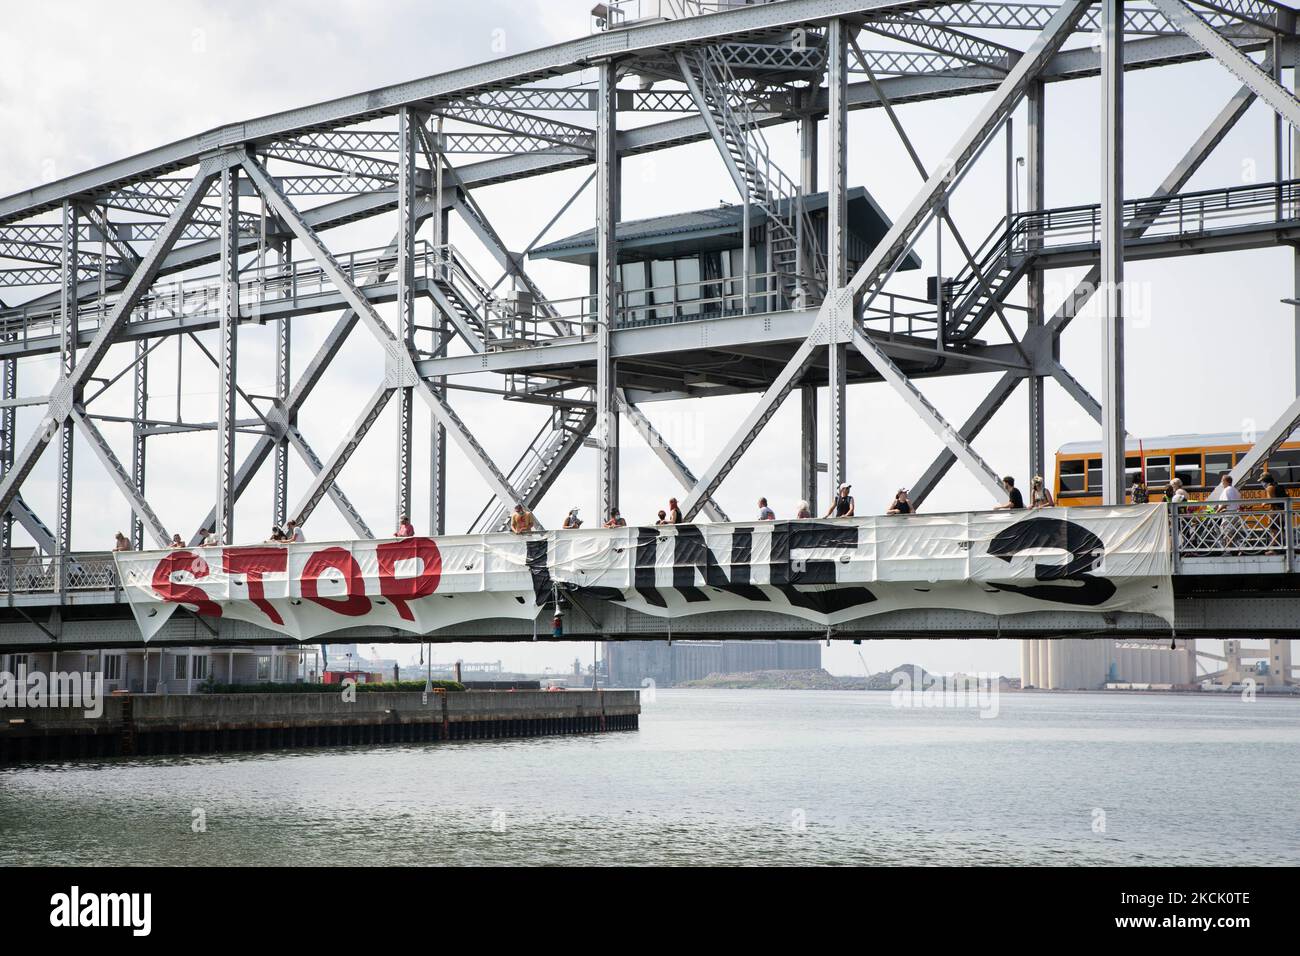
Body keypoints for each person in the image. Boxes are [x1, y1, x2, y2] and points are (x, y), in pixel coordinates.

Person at [1208, 472, 1242, 552]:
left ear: (1226, 481)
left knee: (1226, 531)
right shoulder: (1235, 490)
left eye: (1222, 481)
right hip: (1235, 513)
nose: (1221, 483)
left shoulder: (1227, 490)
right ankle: (1234, 549)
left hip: (1229, 514)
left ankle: (1228, 550)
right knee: (1232, 532)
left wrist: (1217, 511)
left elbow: (1225, 503)